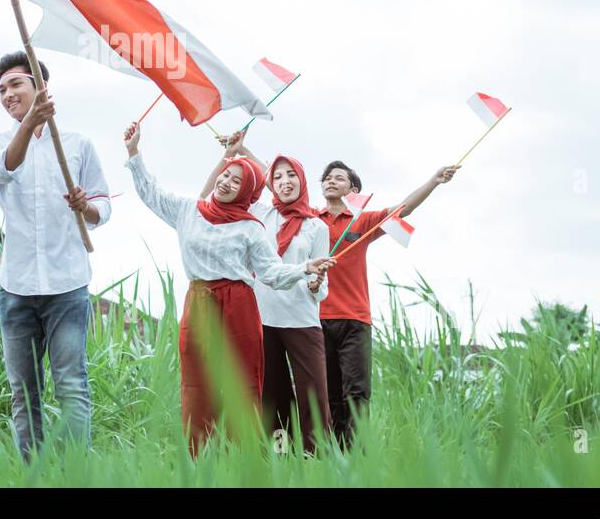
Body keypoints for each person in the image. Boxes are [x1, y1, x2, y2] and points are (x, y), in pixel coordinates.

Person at [121, 119, 335, 456]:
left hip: (239, 304)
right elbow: (151, 193)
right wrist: (134, 153)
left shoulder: (251, 227)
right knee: (197, 381)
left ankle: (244, 454)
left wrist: (303, 269)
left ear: (246, 191)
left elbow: (271, 273)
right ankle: (199, 455)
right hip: (200, 302)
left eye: (237, 180)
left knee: (242, 382)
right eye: (225, 175)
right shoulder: (188, 210)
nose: (226, 182)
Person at [0, 51, 111, 459]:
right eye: (1, 89)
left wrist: (84, 205)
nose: (7, 94)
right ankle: (33, 474)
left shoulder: (78, 145)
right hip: (15, 288)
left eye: (16, 84)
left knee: (71, 383)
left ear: (41, 87)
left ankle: (75, 475)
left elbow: (103, 206)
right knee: (24, 393)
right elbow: (5, 169)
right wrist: (31, 121)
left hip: (67, 283)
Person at [201, 130, 331, 454]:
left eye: (292, 176)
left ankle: (316, 458)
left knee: (313, 393)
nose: (285, 182)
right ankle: (281, 453)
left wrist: (316, 284)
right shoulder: (261, 214)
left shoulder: (317, 226)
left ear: (302, 180)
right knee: (272, 392)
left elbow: (323, 287)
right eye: (279, 177)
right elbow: (225, 192)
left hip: (302, 319)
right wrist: (237, 150)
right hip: (264, 317)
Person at [317, 158, 460, 450]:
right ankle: (330, 455)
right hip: (316, 318)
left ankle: (356, 455)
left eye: (339, 178)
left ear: (352, 189)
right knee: (327, 392)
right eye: (327, 178)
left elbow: (403, 208)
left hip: (355, 320)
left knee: (356, 392)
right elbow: (279, 185)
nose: (330, 181)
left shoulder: (363, 221)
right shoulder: (309, 219)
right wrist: (239, 149)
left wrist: (434, 180)